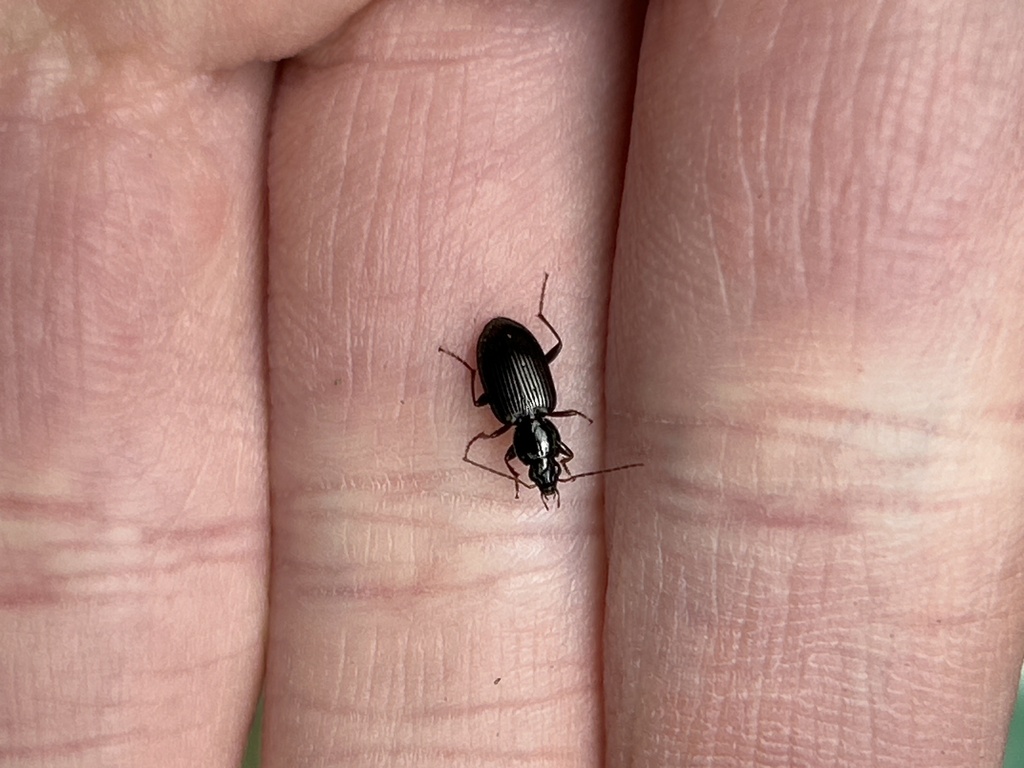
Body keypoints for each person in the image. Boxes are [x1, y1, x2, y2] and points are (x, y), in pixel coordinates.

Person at [2, 2, 1021, 766]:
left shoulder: (522, 419)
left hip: (506, 349)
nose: (542, 463)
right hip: (506, 345)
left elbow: (508, 390)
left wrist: (500, 376)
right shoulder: (527, 415)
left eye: (543, 462)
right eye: (545, 462)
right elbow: (511, 386)